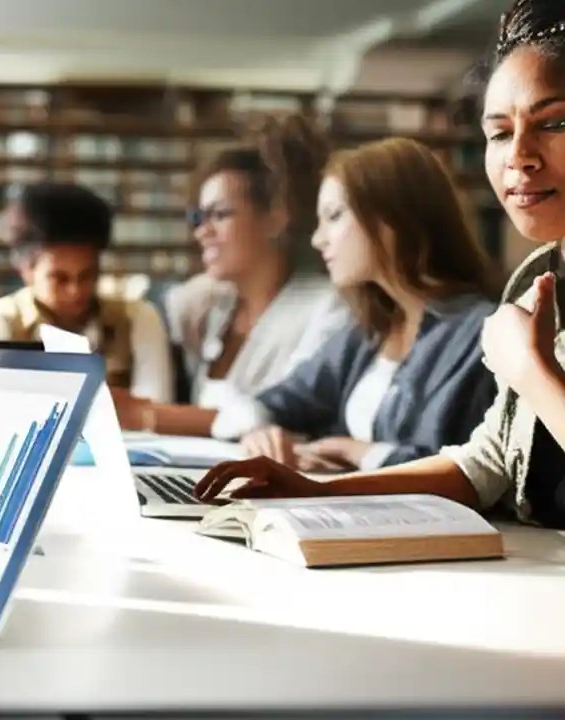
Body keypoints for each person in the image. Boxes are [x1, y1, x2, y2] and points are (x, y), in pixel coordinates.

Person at [195, 0, 565, 529]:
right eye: (500, 132)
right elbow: (482, 465)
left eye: (555, 122)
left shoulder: (486, 326)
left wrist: (532, 371)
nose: (519, 156)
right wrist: (314, 490)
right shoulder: (535, 280)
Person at [216, 138, 499, 471]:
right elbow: (263, 405)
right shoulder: (368, 332)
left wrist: (361, 453)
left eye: (334, 216)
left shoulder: (484, 332)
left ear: (391, 217)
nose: (318, 238)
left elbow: (476, 469)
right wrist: (260, 432)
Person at [116, 115, 345, 433]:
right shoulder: (215, 305)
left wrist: (143, 414)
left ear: (277, 218)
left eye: (220, 215)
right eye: (198, 217)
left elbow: (288, 417)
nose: (202, 232)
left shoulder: (325, 307)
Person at [0, 182, 174, 401]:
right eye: (59, 278)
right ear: (26, 270)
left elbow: (157, 403)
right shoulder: (0, 321)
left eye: (87, 275)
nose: (75, 291)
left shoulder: (137, 318)